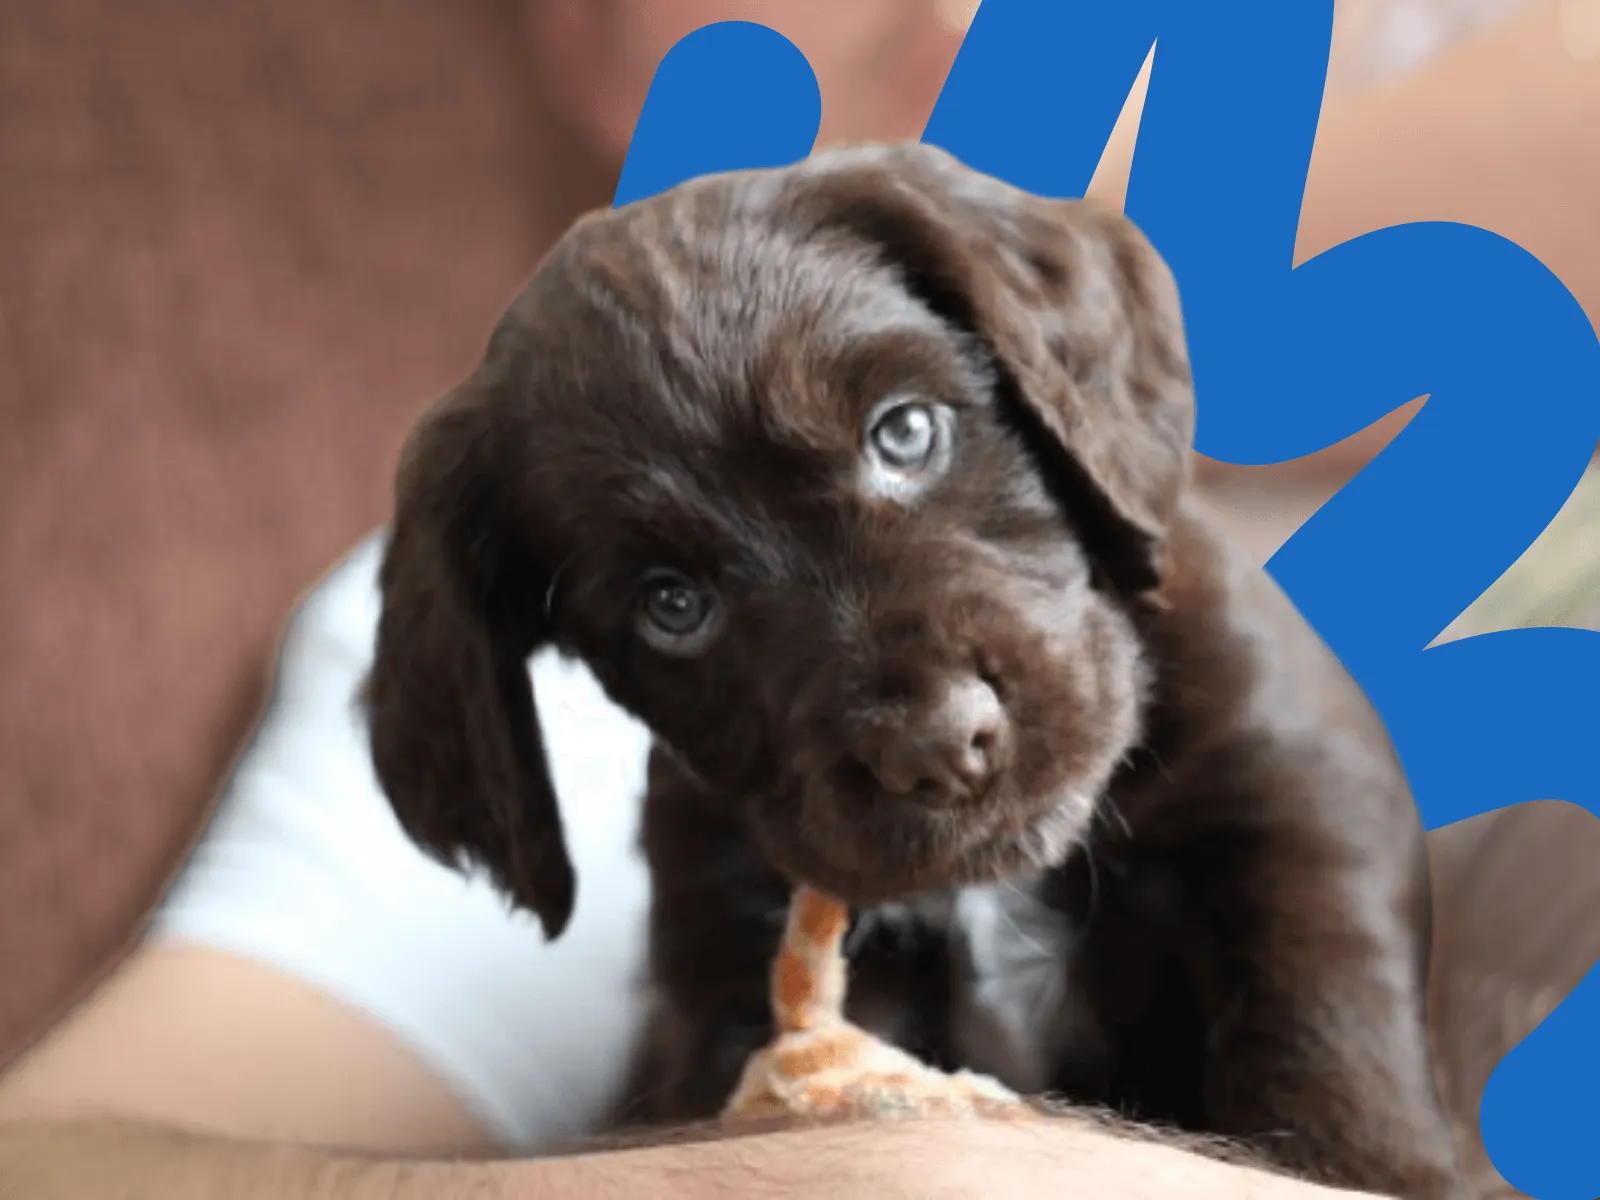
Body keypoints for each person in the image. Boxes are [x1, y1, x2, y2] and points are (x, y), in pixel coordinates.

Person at [4, 2, 1600, 1197]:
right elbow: (62, 1162)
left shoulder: (1184, 561)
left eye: (909, 434)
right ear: (596, 50)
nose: (935, 725)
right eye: (678, 608)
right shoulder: (457, 566)